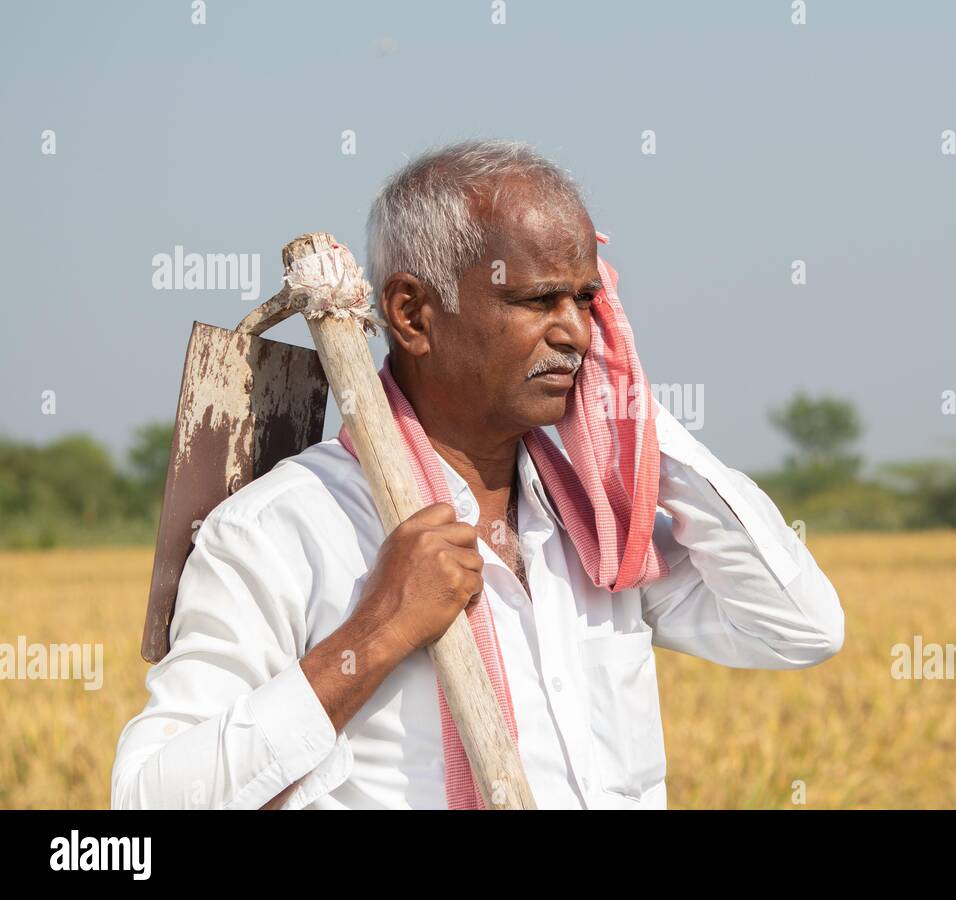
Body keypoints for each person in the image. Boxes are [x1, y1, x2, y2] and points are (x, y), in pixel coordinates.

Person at [111, 139, 844, 810]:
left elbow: (799, 628)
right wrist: (373, 633)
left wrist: (632, 412)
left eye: (588, 301)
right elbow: (149, 801)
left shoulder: (597, 533)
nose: (578, 333)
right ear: (412, 314)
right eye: (537, 300)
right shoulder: (281, 531)